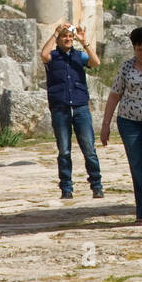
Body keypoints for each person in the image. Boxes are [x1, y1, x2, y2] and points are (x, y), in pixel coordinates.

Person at [100, 27, 142, 224]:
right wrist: (106, 124)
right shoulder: (126, 67)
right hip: (129, 122)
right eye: (138, 49)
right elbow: (115, 94)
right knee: (138, 166)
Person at [41, 21, 104, 202]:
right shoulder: (52, 56)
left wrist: (84, 41)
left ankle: (97, 186)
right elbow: (43, 54)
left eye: (70, 36)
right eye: (64, 37)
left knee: (89, 149)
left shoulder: (79, 56)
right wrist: (55, 33)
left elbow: (96, 62)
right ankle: (66, 188)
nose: (67, 39)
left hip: (80, 107)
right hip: (60, 107)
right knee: (64, 151)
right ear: (59, 39)